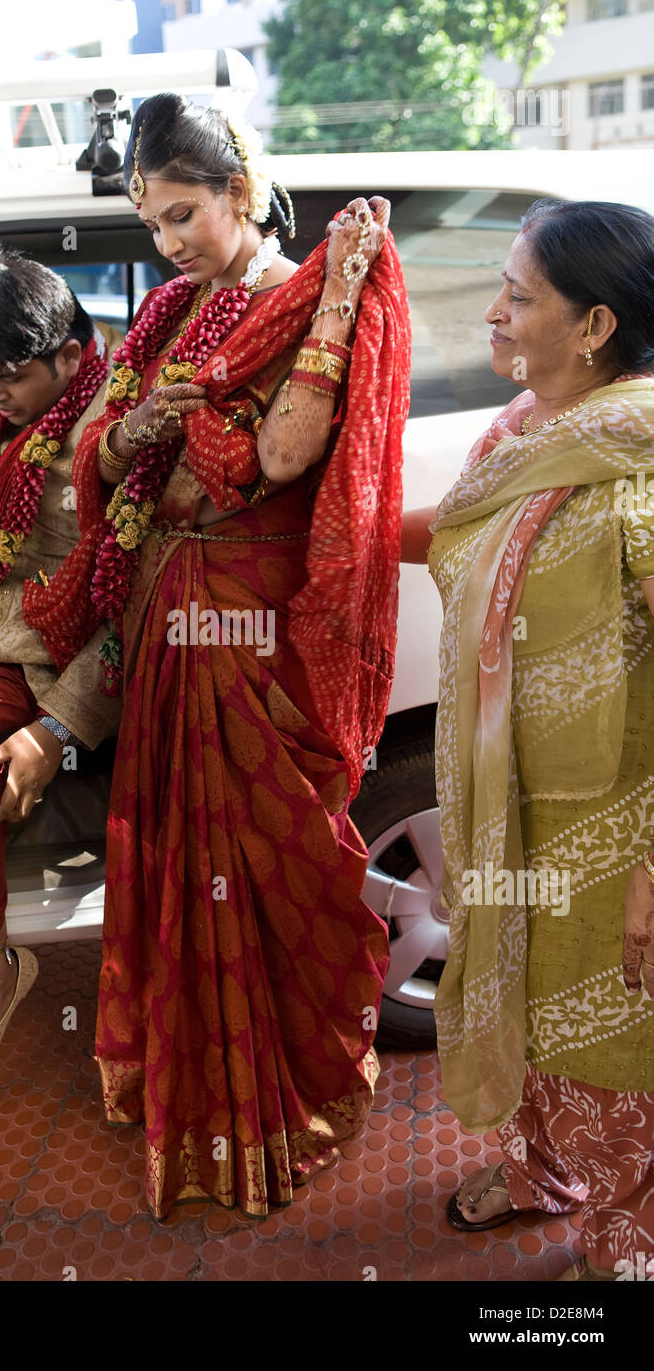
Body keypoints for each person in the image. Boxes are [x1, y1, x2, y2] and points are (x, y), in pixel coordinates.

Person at [31, 93, 411, 1217]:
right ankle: (185, 1079)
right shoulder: (160, 319)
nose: (169, 243)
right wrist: (131, 432)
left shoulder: (301, 298)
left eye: (184, 213)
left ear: (242, 190)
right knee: (170, 846)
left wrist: (189, 424)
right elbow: (86, 456)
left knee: (260, 852)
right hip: (168, 615)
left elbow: (282, 459)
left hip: (251, 624)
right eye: (152, 223)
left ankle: (269, 1098)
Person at [403, 198, 654, 1280]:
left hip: (615, 836)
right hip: (508, 812)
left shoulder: (634, 469)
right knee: (509, 999)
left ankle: (622, 1239)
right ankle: (539, 1168)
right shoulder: (518, 436)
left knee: (607, 1045)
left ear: (593, 325)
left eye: (518, 296)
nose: (493, 313)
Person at [0, 246, 121, 1113]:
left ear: (72, 357)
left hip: (43, 653)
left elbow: (129, 600)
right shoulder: (7, 419)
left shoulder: (109, 437)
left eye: (8, 375)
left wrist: (59, 727)